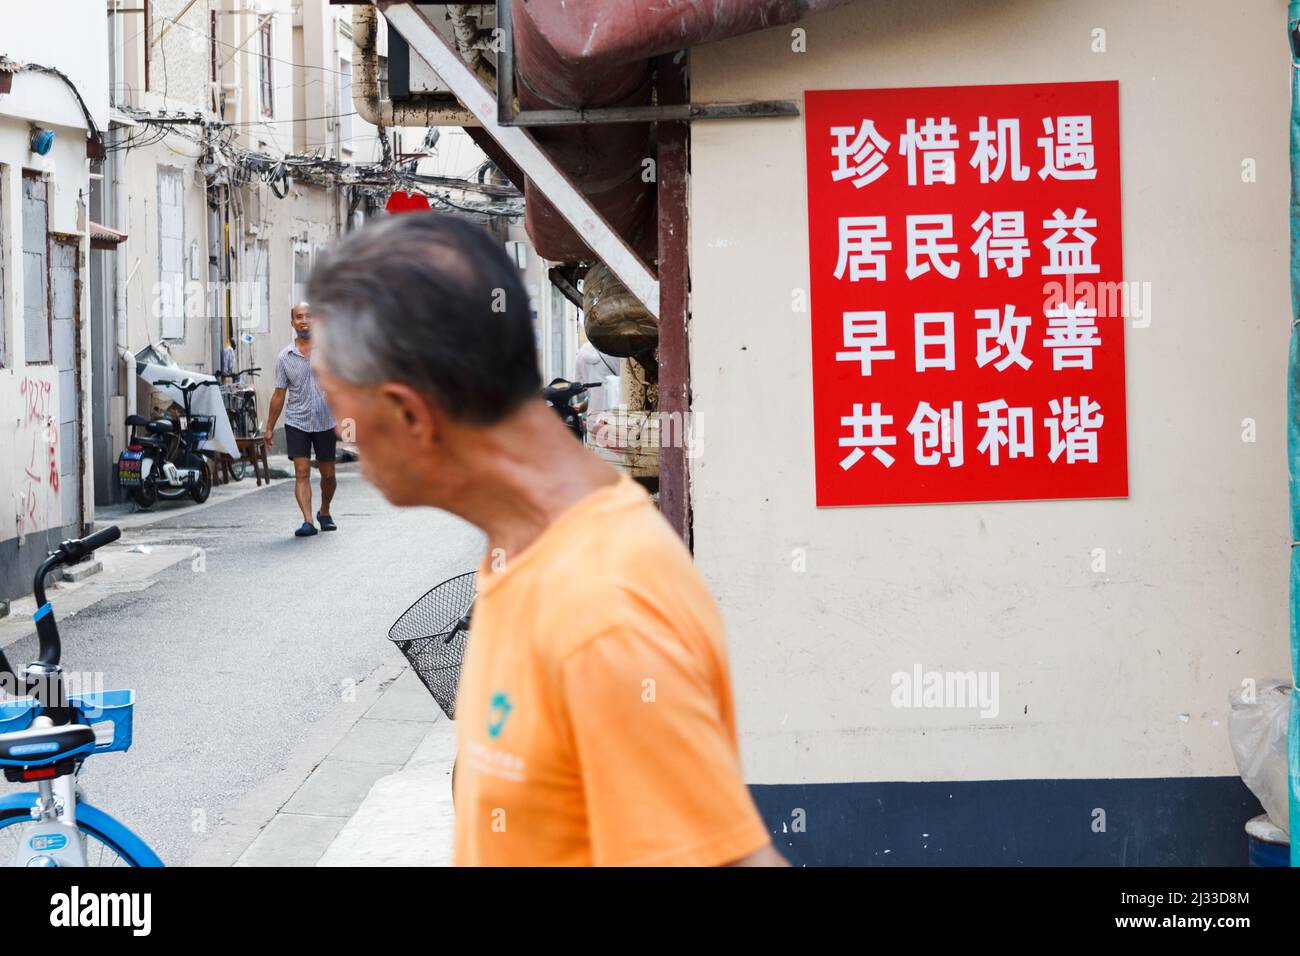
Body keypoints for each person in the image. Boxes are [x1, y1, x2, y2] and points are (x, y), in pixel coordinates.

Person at [306, 214, 783, 867]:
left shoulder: (600, 608)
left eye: (339, 406)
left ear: (410, 413)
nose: (339, 434)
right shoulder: (527, 549)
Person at [265, 302, 338, 538]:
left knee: (328, 475)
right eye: (299, 317)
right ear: (292, 323)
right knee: (302, 471)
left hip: (325, 420)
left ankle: (324, 511)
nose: (304, 320)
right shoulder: (285, 357)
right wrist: (269, 428)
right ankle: (308, 521)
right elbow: (278, 395)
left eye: (308, 316)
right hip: (297, 420)